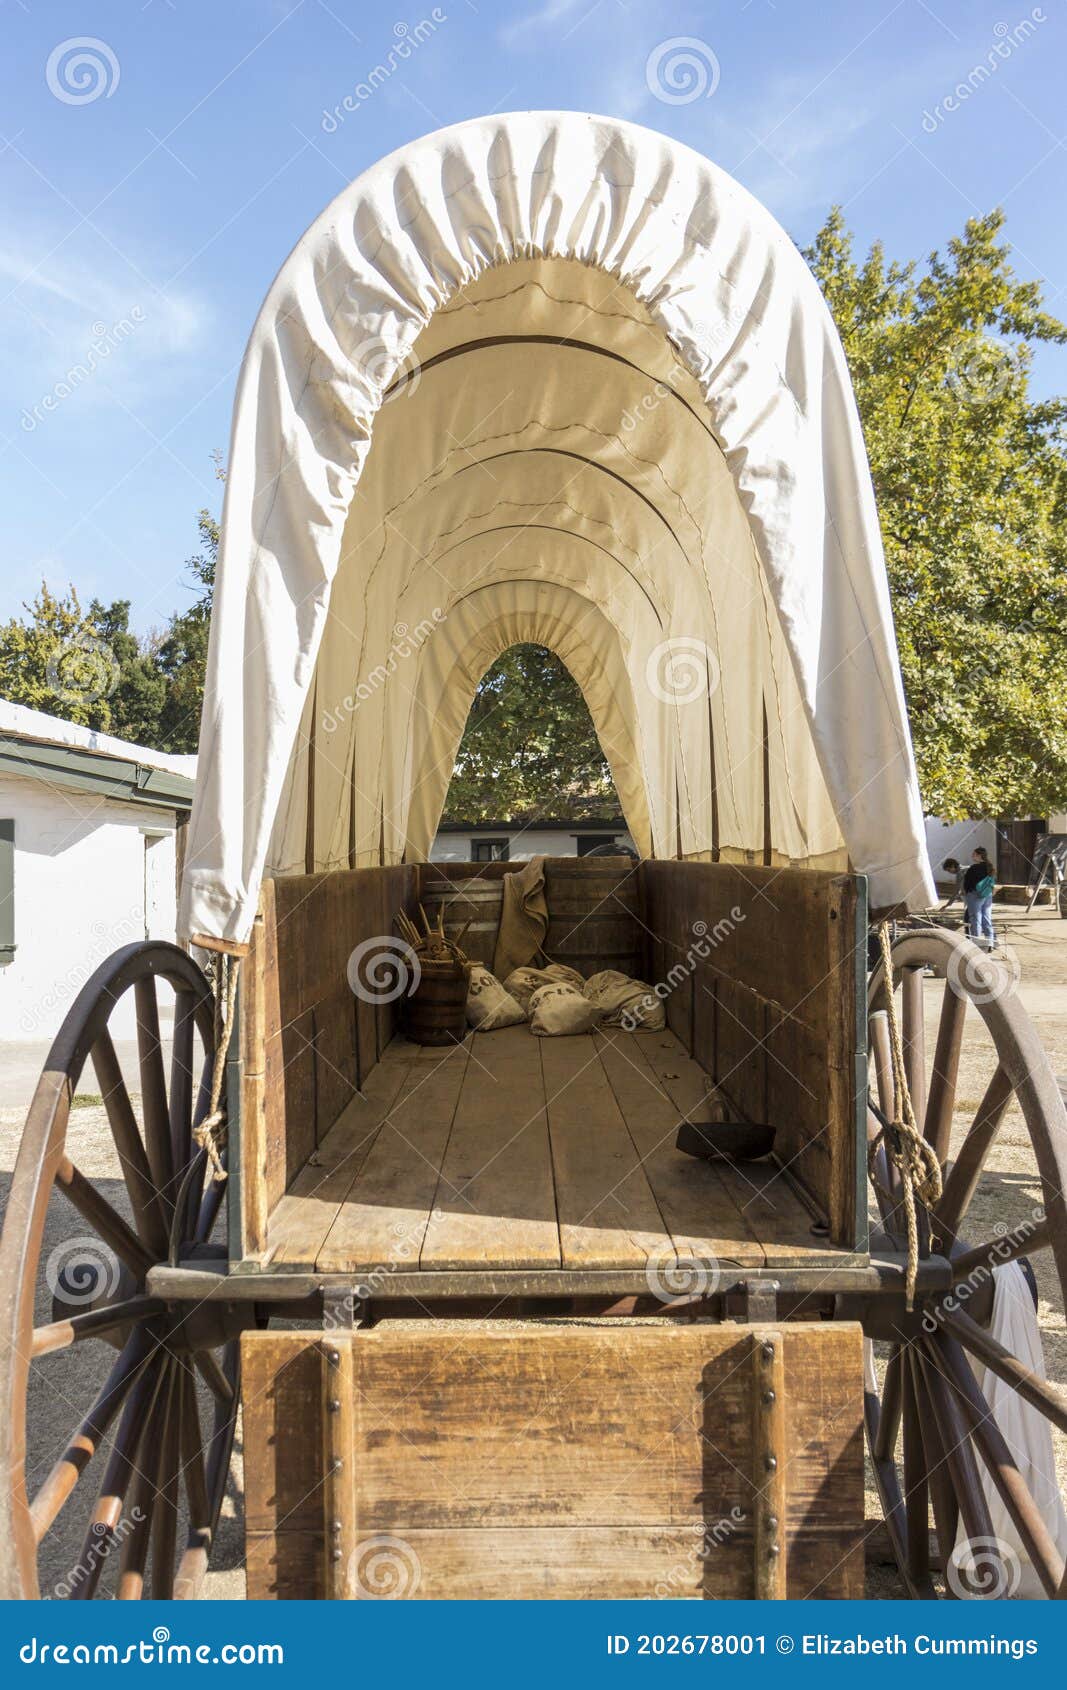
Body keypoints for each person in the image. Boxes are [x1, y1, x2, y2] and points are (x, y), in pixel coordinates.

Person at [963, 847, 997, 951]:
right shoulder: (990, 867)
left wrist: (966, 892)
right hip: (987, 895)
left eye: (974, 854)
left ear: (979, 855)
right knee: (987, 918)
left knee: (975, 919)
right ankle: (990, 943)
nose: (972, 856)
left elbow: (967, 882)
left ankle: (976, 944)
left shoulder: (973, 868)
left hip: (974, 895)